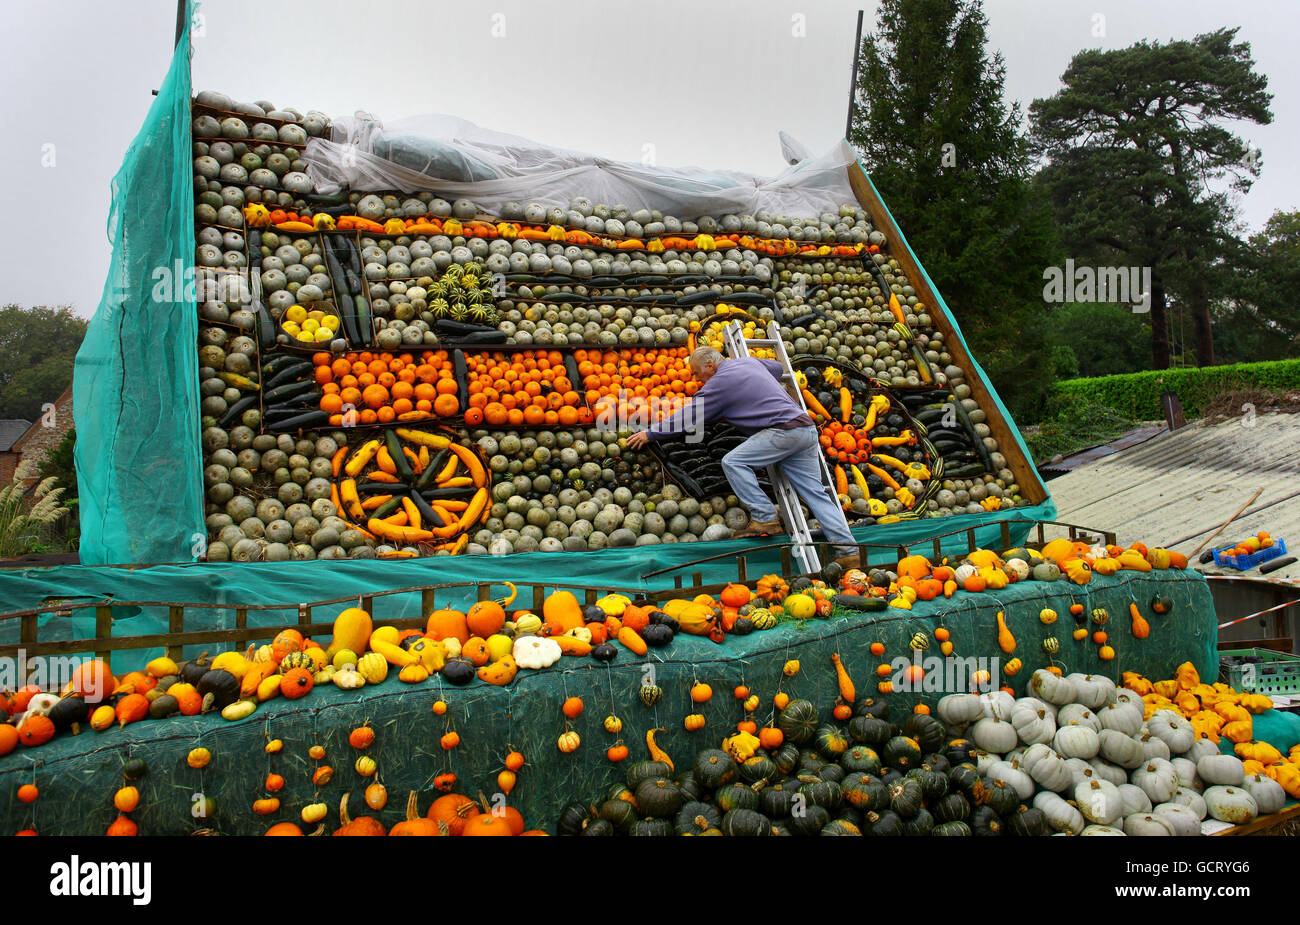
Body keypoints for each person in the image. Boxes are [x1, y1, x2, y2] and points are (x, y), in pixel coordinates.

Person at [626, 346, 860, 568]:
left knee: (733, 461)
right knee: (816, 494)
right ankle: (849, 553)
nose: (697, 380)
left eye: (697, 373)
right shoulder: (748, 362)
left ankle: (765, 516)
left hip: (783, 431)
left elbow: (688, 417)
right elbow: (777, 369)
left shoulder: (717, 385)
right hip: (805, 429)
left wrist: (650, 433)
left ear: (710, 366)